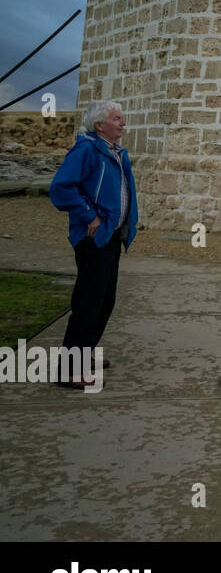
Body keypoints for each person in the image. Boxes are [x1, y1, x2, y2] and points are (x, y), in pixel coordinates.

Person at [48, 100, 138, 388]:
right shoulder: (87, 150)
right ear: (100, 125)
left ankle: (84, 356)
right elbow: (61, 188)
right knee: (88, 302)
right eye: (116, 119)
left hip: (112, 235)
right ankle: (68, 370)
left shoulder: (117, 153)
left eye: (122, 118)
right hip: (92, 237)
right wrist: (90, 216)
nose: (123, 123)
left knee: (105, 301)